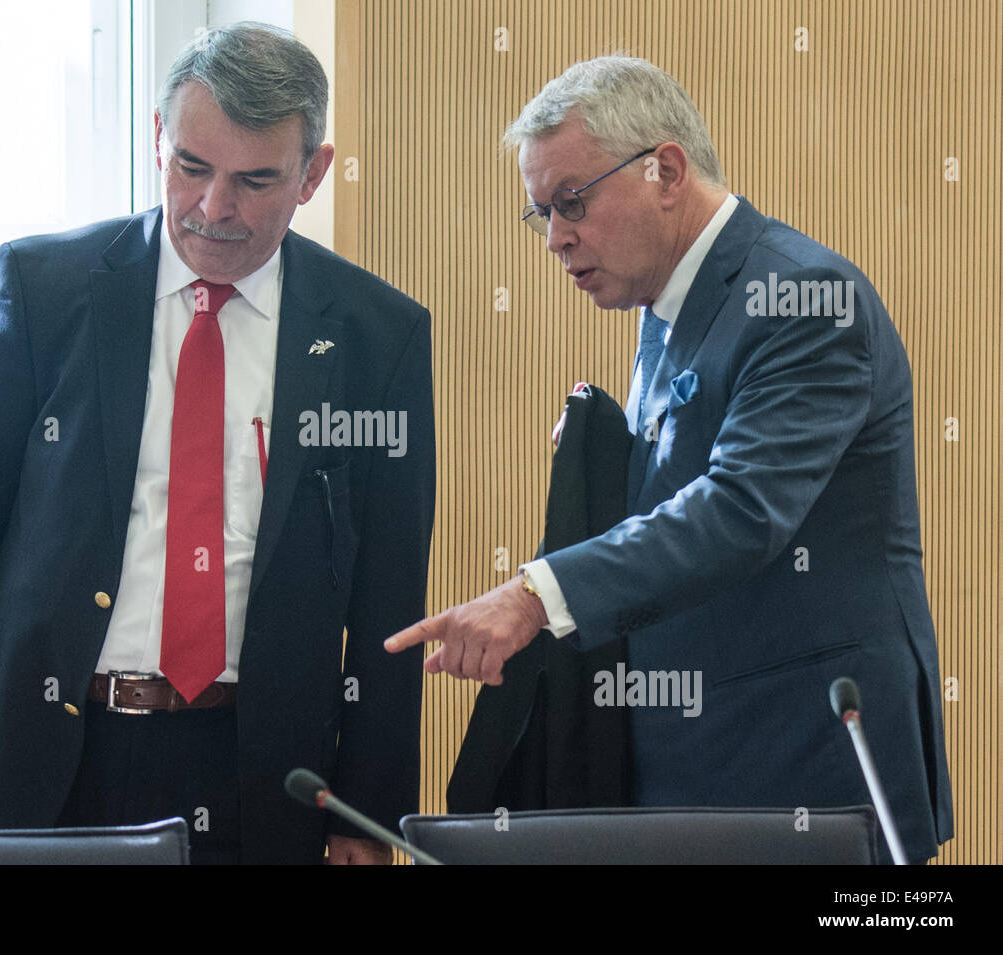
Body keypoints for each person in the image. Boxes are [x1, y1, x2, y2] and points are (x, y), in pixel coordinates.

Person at [0, 22, 435, 865]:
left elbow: (391, 593)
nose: (213, 208)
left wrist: (364, 812)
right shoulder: (47, 291)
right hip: (51, 743)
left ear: (314, 173)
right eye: (191, 167)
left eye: (254, 180)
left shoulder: (377, 337)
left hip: (260, 767)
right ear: (157, 139)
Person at [387, 55, 952, 863]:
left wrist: (533, 596)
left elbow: (741, 510)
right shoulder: (665, 311)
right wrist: (602, 446)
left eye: (572, 201)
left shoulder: (803, 298)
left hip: (809, 760)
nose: (555, 239)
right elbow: (682, 484)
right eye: (540, 213)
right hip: (692, 761)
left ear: (667, 169)